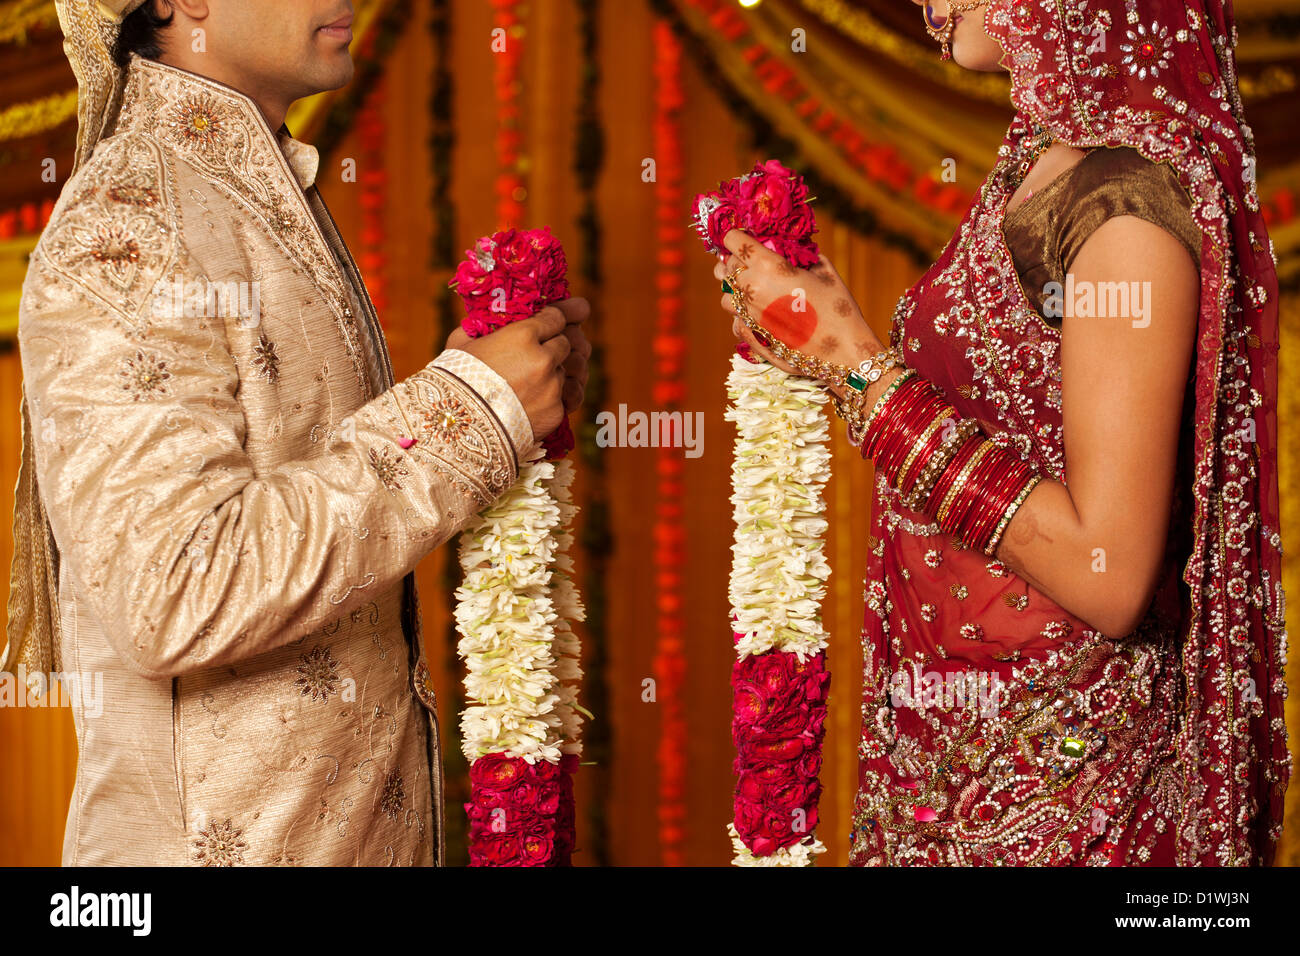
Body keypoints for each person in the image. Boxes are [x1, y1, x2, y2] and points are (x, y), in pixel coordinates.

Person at [2, 0, 589, 866]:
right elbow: (174, 588)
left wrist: (483, 395)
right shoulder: (127, 228)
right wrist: (468, 414)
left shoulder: (250, 189)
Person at [714, 0, 1287, 865]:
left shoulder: (1125, 211)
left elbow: (1112, 571)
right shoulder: (1044, 164)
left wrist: (859, 369)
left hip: (1070, 802)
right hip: (950, 764)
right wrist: (822, 349)